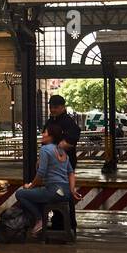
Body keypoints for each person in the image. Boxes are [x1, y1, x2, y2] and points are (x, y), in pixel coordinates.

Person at [15, 121, 81, 238]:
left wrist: (31, 186)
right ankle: (42, 220)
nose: (42, 134)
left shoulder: (45, 150)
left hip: (53, 191)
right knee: (38, 197)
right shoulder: (62, 151)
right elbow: (71, 172)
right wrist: (72, 190)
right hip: (65, 193)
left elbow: (41, 173)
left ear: (51, 136)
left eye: (44, 132)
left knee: (21, 194)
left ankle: (40, 219)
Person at [44, 94, 82, 229]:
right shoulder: (50, 121)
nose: (52, 109)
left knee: (64, 194)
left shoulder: (67, 121)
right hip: (52, 165)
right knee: (55, 193)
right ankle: (57, 222)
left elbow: (73, 138)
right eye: (51, 107)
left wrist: (59, 147)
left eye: (55, 107)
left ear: (62, 107)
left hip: (65, 165)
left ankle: (69, 224)